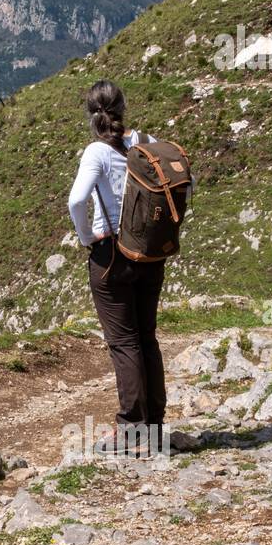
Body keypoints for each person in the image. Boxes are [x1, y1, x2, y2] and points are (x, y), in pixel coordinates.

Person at [66, 80, 167, 457]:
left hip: (110, 253)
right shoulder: (145, 140)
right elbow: (182, 187)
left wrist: (85, 237)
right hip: (148, 253)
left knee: (123, 342)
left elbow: (77, 200)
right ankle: (155, 426)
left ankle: (131, 431)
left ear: (91, 114)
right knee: (147, 338)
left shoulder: (96, 151)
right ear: (123, 107)